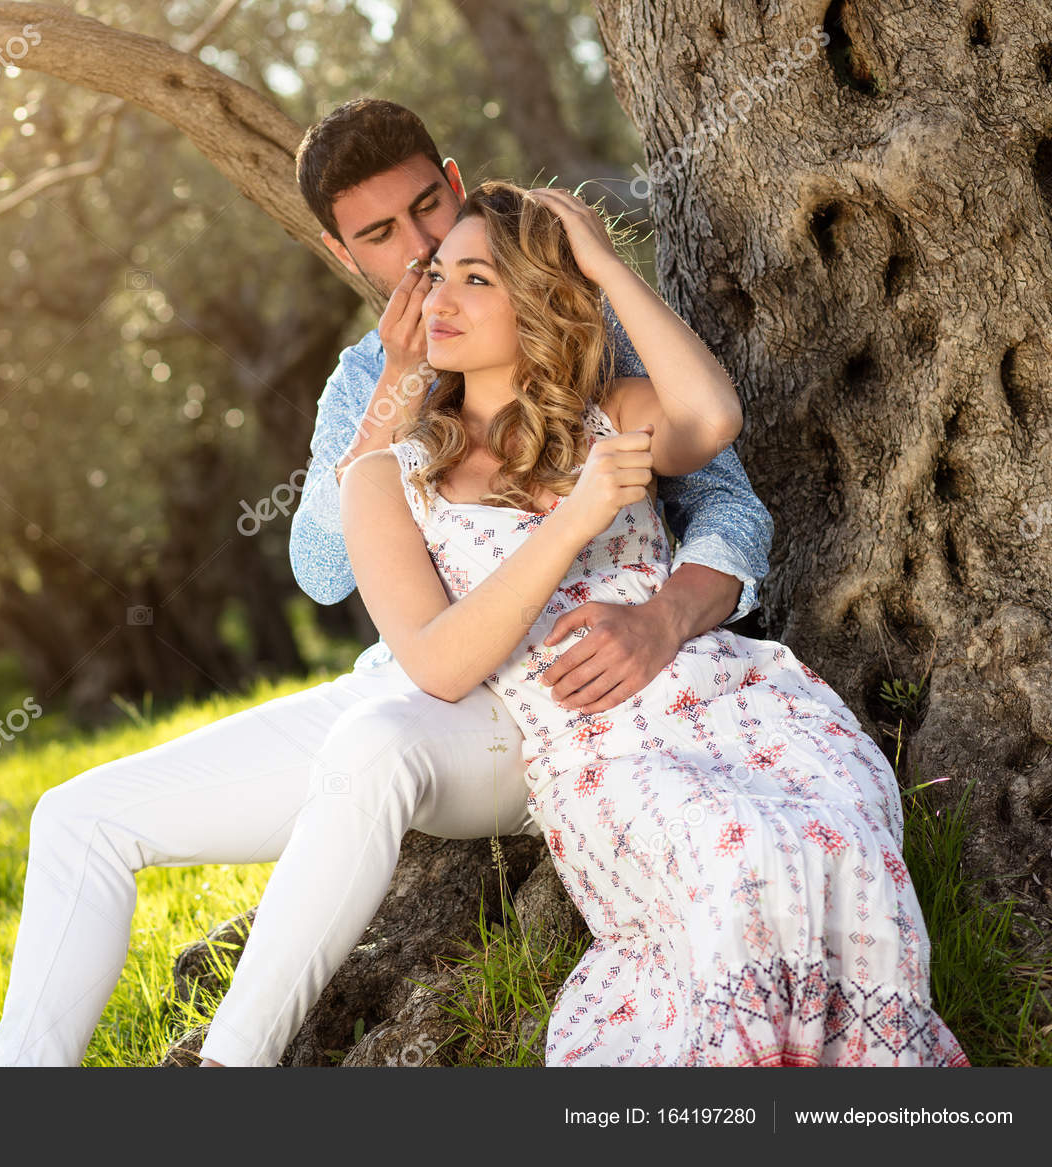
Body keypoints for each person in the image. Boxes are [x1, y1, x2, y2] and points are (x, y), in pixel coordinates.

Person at [0, 99, 774, 1068]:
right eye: (378, 235)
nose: (417, 248)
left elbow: (728, 504)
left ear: (451, 181)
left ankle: (230, 1068)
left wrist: (664, 619)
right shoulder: (365, 381)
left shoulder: (582, 326)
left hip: (539, 705)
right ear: (340, 250)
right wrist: (401, 383)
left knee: (376, 745)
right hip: (415, 674)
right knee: (75, 817)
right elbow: (322, 574)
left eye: (426, 210)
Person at [339, 177, 969, 1066]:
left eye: (477, 279)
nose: (437, 300)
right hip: (598, 747)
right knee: (742, 858)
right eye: (438, 274)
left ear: (540, 301)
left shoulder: (613, 413)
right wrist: (574, 518)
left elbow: (712, 417)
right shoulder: (382, 478)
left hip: (733, 700)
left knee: (839, 838)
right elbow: (440, 663)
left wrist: (601, 260)